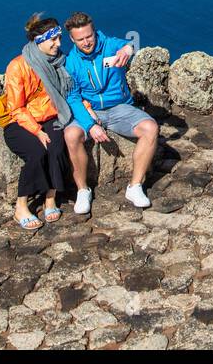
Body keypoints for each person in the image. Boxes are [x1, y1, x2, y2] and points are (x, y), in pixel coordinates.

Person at [61, 11, 159, 213]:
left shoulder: (109, 44)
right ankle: (82, 190)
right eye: (80, 39)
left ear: (94, 32)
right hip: (90, 110)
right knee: (71, 134)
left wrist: (127, 50)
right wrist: (90, 125)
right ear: (72, 39)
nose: (86, 42)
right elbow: (73, 98)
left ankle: (135, 186)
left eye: (89, 36)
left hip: (120, 107)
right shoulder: (71, 62)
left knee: (150, 128)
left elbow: (129, 45)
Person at [2, 13, 74, 230]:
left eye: (59, 39)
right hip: (21, 122)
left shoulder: (59, 62)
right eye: (53, 40)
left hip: (52, 117)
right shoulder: (18, 66)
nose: (58, 44)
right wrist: (36, 131)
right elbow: (15, 107)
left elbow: (69, 93)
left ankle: (50, 197)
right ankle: (21, 205)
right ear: (38, 40)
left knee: (58, 148)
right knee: (36, 152)